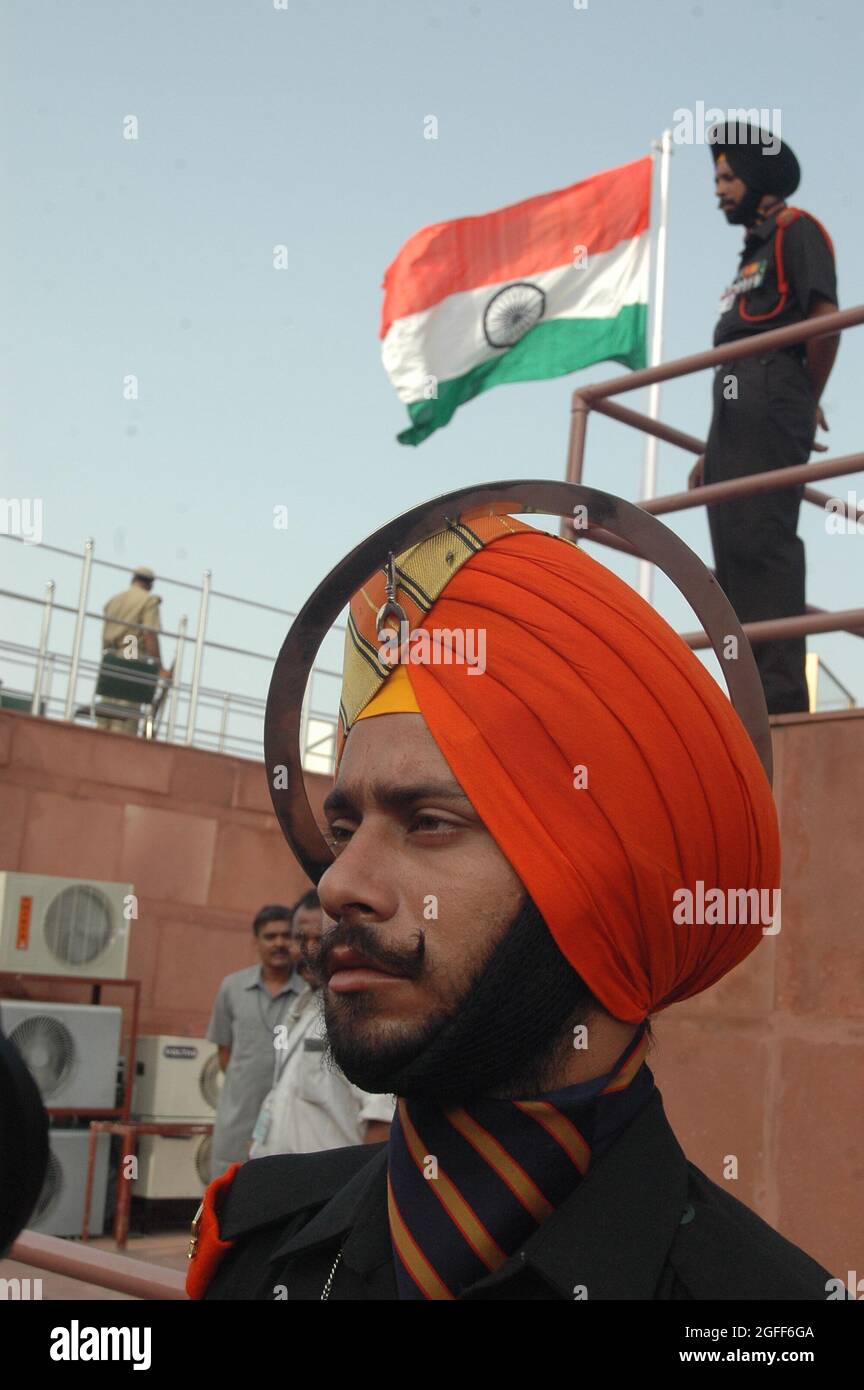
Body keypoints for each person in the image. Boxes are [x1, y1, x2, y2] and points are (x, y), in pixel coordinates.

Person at [188, 511, 841, 1301]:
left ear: (599, 888)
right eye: (344, 826)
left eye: (428, 823)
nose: (336, 884)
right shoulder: (261, 1255)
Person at [690, 122, 839, 715]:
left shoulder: (797, 231)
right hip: (735, 405)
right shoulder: (751, 251)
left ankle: (779, 705)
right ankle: (747, 699)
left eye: (728, 177)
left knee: (762, 543)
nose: (720, 189)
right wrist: (712, 448)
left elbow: (823, 319)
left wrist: (805, 392)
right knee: (730, 549)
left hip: (774, 386)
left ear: (759, 180)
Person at [249, 890, 393, 1159]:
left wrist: (358, 1196)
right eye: (300, 938)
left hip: (331, 1193)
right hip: (284, 1186)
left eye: (320, 938)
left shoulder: (360, 1011)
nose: (308, 949)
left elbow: (382, 1119)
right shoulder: (303, 1005)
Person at [206, 903, 306, 1179]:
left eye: (287, 936)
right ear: (256, 942)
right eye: (270, 937)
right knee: (225, 1202)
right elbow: (225, 1053)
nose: (279, 943)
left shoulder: (309, 994)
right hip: (237, 1120)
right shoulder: (232, 988)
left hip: (290, 1124)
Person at [98, 566, 172, 733]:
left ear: (133, 579)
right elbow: (149, 634)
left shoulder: (114, 601)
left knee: (105, 718)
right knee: (124, 722)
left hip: (110, 660)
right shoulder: (148, 600)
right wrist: (160, 668)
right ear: (150, 584)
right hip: (131, 656)